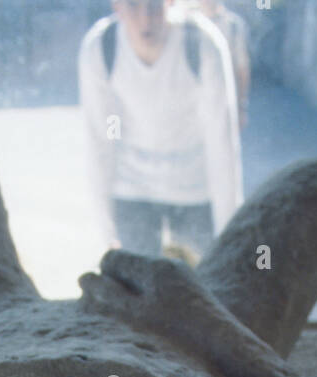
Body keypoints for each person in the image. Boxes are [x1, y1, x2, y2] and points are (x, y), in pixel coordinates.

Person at [78, 0, 242, 260]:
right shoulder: (101, 48)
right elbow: (100, 140)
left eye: (154, 5)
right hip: (132, 190)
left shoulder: (201, 45)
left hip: (193, 189)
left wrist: (229, 233)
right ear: (117, 5)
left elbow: (221, 141)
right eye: (133, 5)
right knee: (140, 292)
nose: (146, 19)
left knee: (199, 288)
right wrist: (107, 231)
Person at [197, 0, 251, 129]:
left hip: (223, 105)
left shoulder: (233, 26)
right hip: (194, 105)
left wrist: (241, 107)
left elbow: (242, 69)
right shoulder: (189, 25)